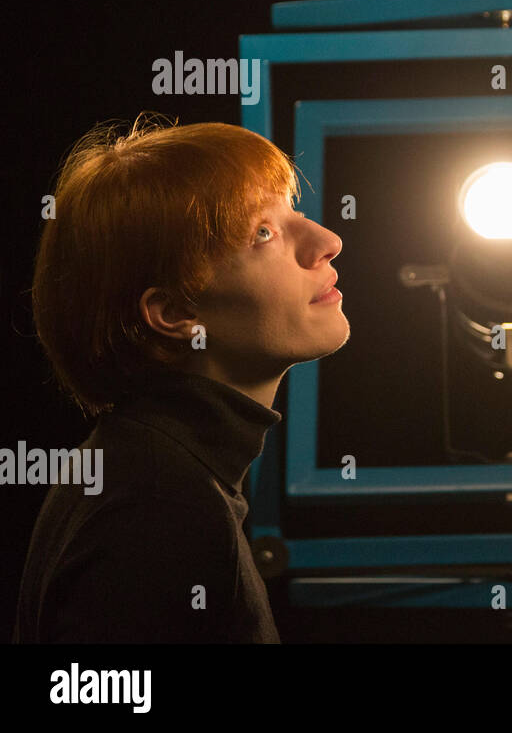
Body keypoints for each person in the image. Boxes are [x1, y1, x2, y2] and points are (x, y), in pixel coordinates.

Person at [14, 113, 349, 642]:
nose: (326, 241)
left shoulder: (149, 472)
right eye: (262, 233)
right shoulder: (156, 509)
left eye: (293, 210)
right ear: (172, 313)